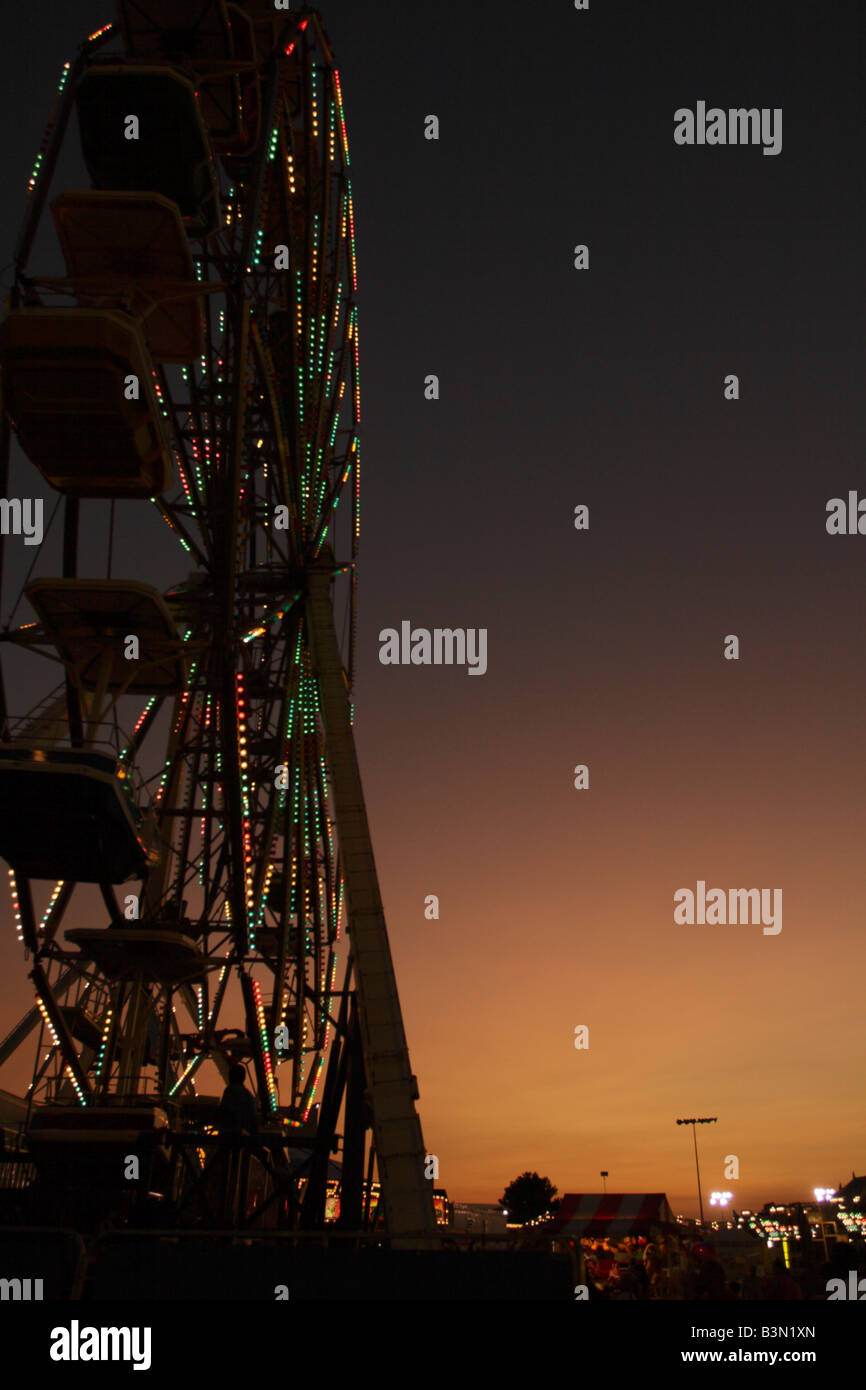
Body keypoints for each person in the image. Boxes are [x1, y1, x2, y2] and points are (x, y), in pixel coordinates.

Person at [217, 1063, 260, 1136]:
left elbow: (225, 1111)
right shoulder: (248, 1095)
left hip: (232, 1135)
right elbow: (254, 1118)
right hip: (245, 1135)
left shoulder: (230, 1091)